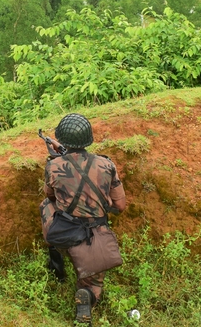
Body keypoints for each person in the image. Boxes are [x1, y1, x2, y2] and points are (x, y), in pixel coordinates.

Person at [39, 113, 127, 325]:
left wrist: (58, 159)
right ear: (89, 139)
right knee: (92, 283)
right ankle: (87, 296)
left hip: (65, 230)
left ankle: (55, 253)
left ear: (63, 140)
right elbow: (120, 206)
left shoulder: (53, 166)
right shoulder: (107, 165)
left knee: (45, 206)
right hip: (94, 234)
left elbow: (49, 195)